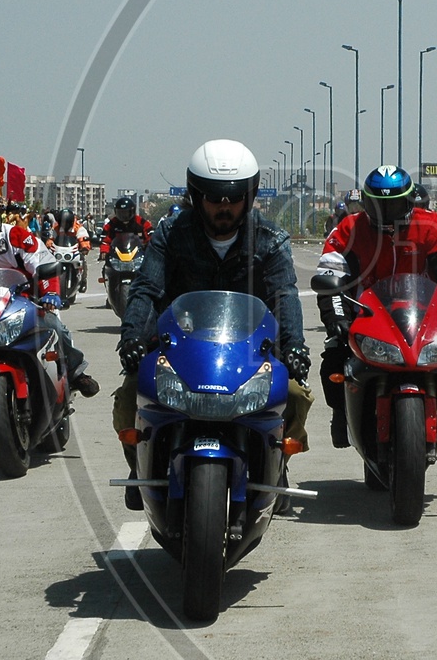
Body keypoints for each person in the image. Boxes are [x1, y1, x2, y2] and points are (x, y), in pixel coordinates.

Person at [115, 140, 311, 511]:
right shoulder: (171, 234)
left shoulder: (270, 239)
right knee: (129, 396)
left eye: (233, 199)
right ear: (195, 195)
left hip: (250, 350)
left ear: (249, 197)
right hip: (178, 346)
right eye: (214, 198)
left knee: (297, 396)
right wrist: (131, 339)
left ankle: (276, 464)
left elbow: (285, 296)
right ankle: (141, 467)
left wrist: (295, 346)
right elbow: (146, 289)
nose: (224, 207)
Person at [314, 166, 437, 448]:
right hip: (365, 314)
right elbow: (330, 273)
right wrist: (336, 318)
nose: (387, 213)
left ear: (410, 201)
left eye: (394, 205)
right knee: (333, 356)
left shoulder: (433, 224)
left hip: (424, 314)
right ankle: (341, 414)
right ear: (365, 203)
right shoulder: (349, 228)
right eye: (379, 206)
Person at [0, 190, 100, 397]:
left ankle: (76, 372)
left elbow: (43, 263)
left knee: (55, 327)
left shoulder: (17, 236)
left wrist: (50, 293)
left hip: (26, 303)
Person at [51, 209, 91, 292]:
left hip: (74, 251)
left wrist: (84, 247)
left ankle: (83, 280)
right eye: (62, 222)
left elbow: (83, 237)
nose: (64, 224)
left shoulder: (78, 227)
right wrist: (48, 244)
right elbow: (51, 238)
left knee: (83, 260)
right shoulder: (56, 228)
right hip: (59, 252)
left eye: (67, 222)